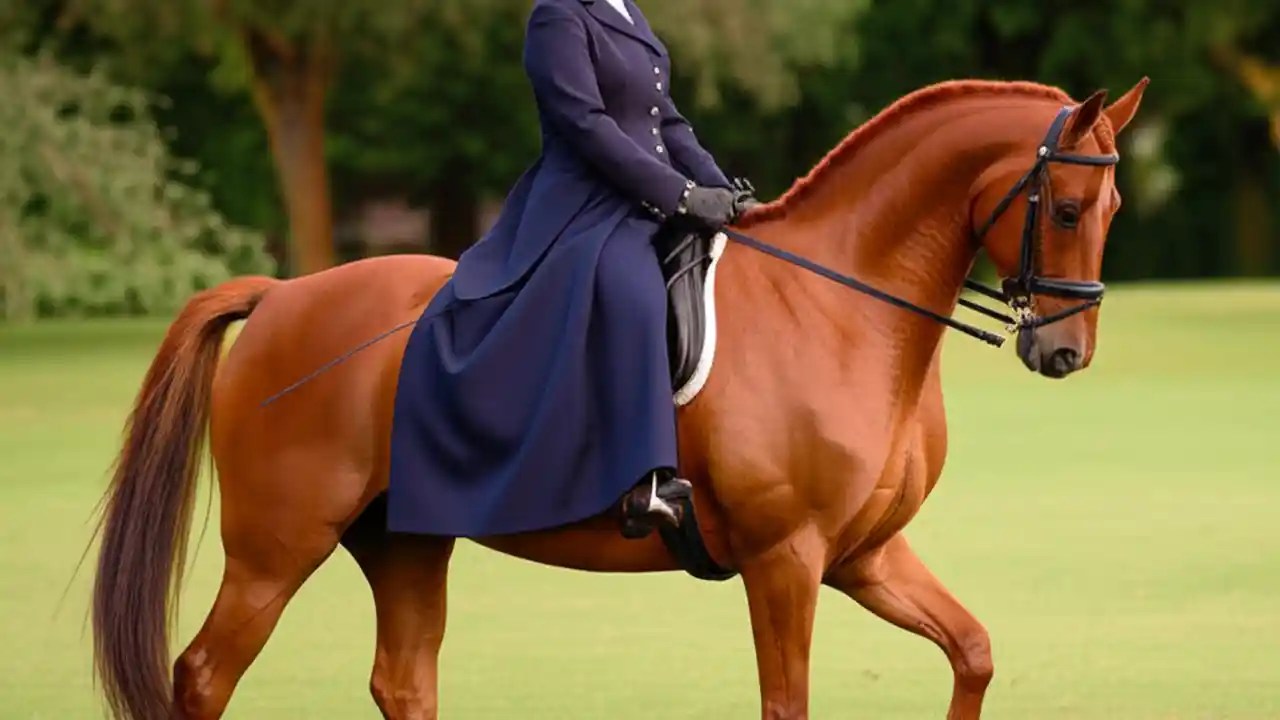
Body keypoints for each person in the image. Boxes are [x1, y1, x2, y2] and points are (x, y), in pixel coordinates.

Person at [386, 0, 754, 540]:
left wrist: (721, 191)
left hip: (647, 200)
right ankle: (644, 480)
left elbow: (666, 119)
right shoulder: (557, 16)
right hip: (587, 207)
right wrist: (679, 193)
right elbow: (586, 124)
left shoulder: (627, 11)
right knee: (635, 292)